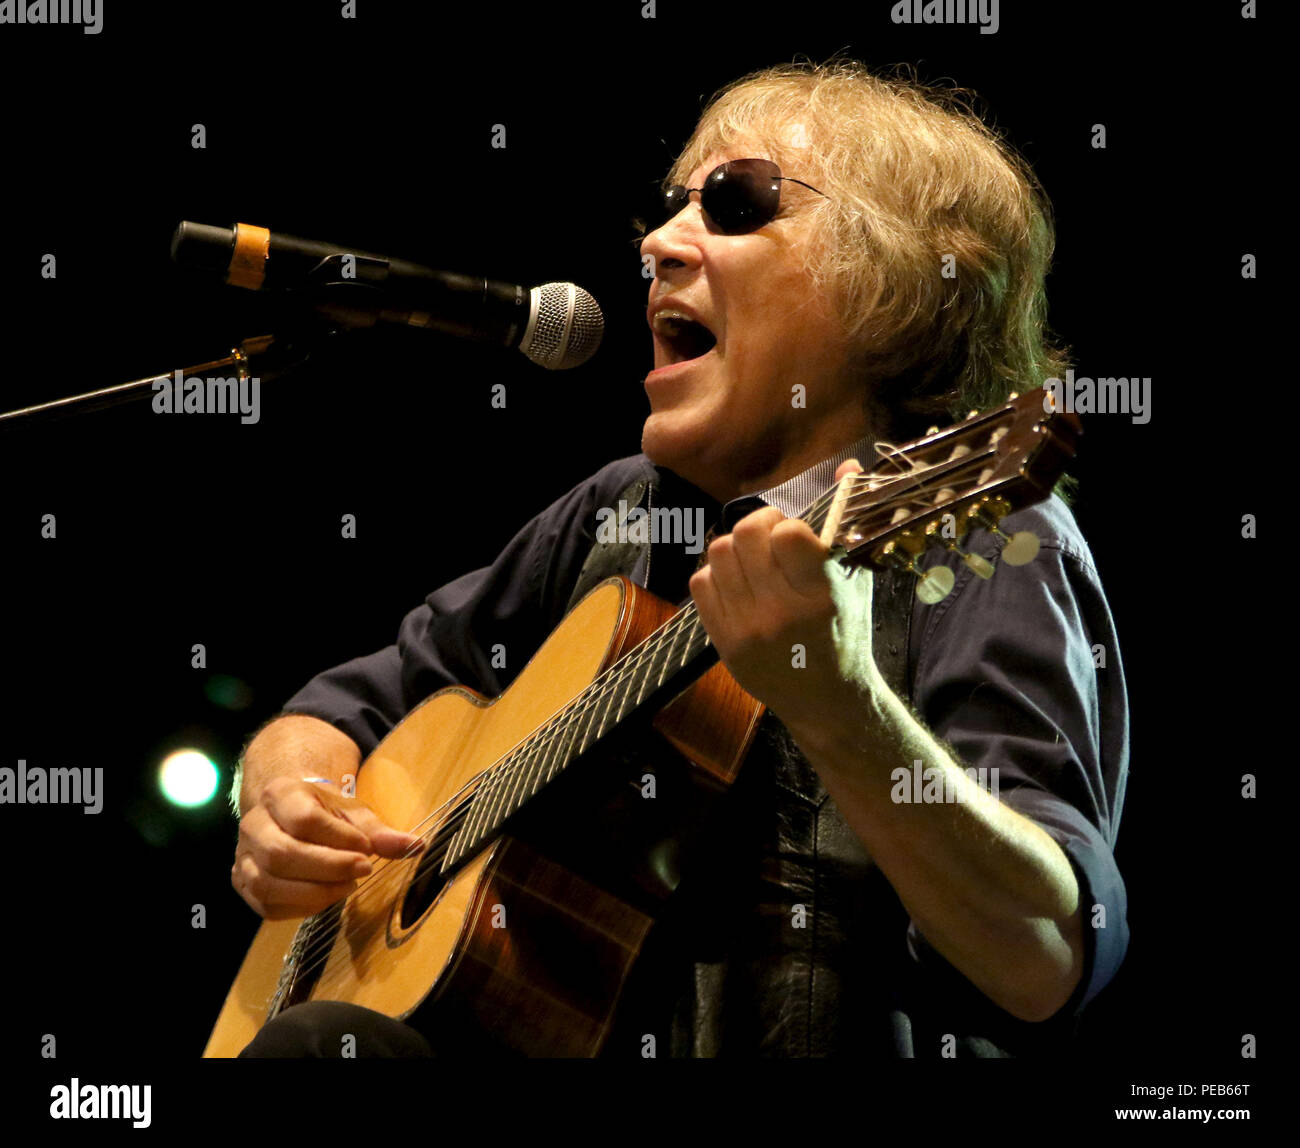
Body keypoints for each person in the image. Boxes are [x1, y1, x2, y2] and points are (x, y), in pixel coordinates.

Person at [231, 59, 1128, 1058]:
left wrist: (839, 701)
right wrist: (286, 796)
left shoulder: (980, 543)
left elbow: (1049, 954)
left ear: (894, 286)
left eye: (735, 202)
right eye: (666, 210)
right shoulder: (614, 514)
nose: (657, 244)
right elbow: (342, 708)